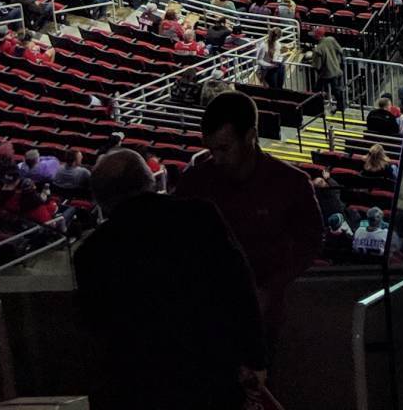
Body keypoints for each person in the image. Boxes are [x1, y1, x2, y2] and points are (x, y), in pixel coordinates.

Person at [72, 147, 266, 410]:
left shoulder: (90, 254)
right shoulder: (199, 215)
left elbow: (96, 330)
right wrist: (255, 357)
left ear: (100, 198)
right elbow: (239, 286)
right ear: (150, 180)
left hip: (138, 387)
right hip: (211, 371)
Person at [175, 91, 324, 339]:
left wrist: (273, 287)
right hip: (208, 317)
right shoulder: (195, 182)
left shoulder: (291, 183)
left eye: (224, 148)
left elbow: (311, 241)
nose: (217, 158)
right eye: (212, 150)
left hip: (268, 319)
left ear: (251, 136)